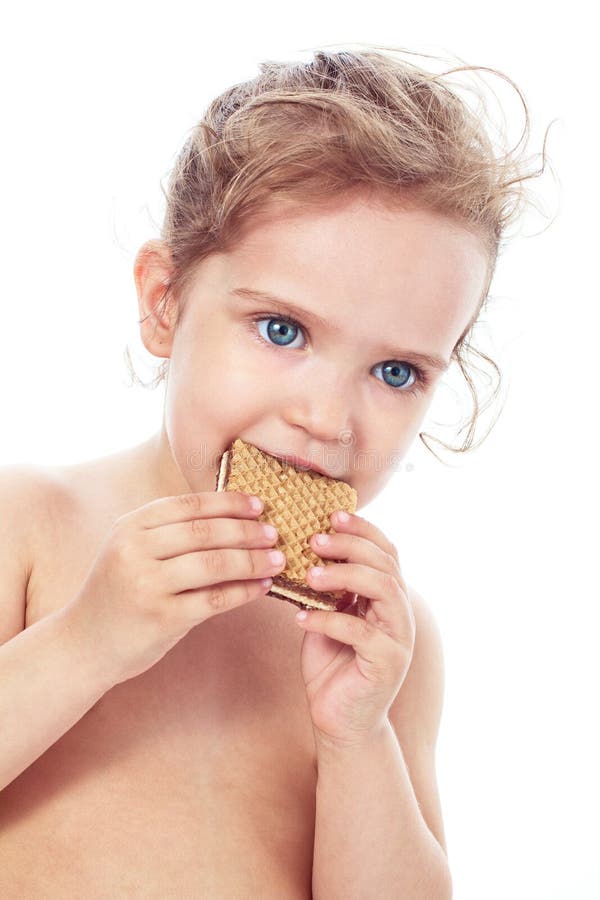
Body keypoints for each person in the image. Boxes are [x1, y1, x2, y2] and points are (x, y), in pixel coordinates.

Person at [0, 46, 547, 897]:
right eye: (282, 330)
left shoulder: (382, 635)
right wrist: (86, 643)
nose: (326, 420)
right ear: (164, 302)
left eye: (396, 372)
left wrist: (355, 737)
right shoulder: (30, 523)